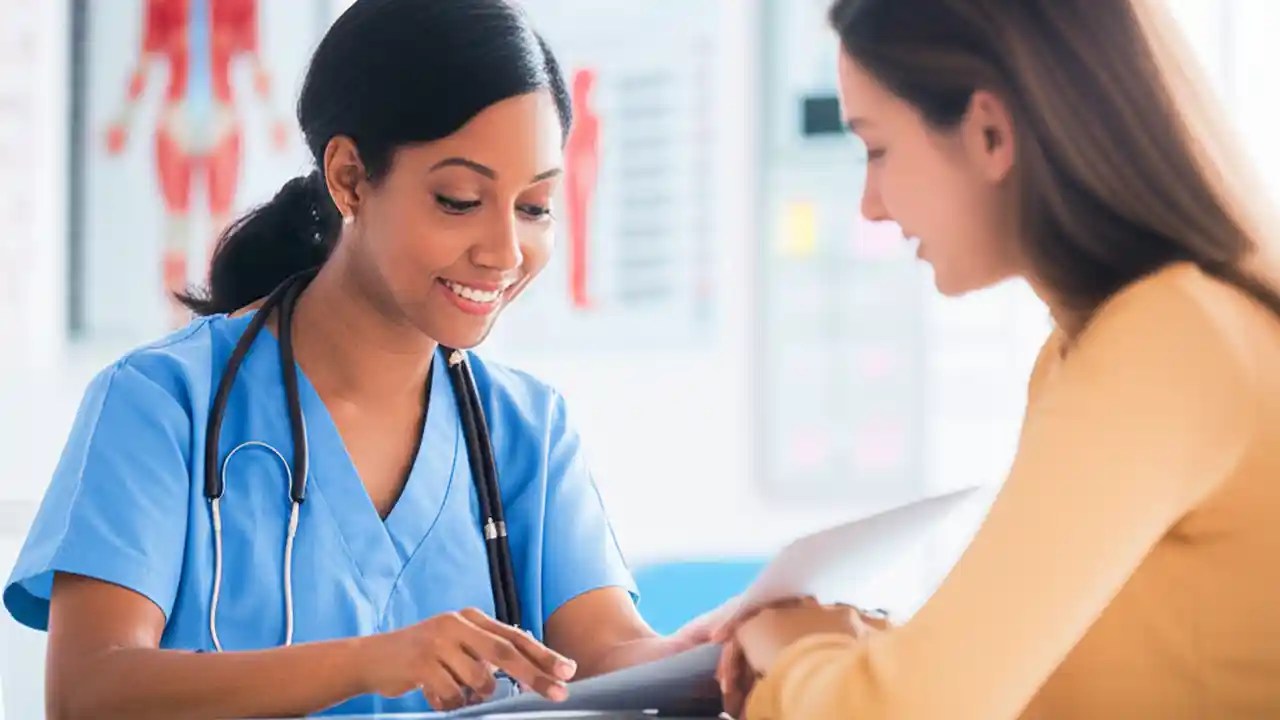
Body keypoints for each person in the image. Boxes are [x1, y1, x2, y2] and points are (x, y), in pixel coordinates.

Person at [5, 1, 700, 717]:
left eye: (535, 207)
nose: (505, 252)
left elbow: (609, 654)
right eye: (460, 200)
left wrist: (716, 650)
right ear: (349, 179)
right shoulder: (161, 402)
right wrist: (371, 660)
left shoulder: (527, 430)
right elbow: (89, 691)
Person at [717, 0, 1280, 718]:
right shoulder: (1094, 347)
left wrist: (799, 657)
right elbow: (1074, 685)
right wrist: (840, 645)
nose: (870, 206)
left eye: (878, 148)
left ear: (989, 131)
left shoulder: (1168, 342)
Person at [105, 0, 290, 328]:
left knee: (219, 222)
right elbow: (146, 62)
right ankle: (176, 319)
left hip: (221, 116)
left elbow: (254, 61)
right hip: (177, 116)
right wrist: (124, 120)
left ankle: (216, 311)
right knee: (178, 221)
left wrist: (273, 118)